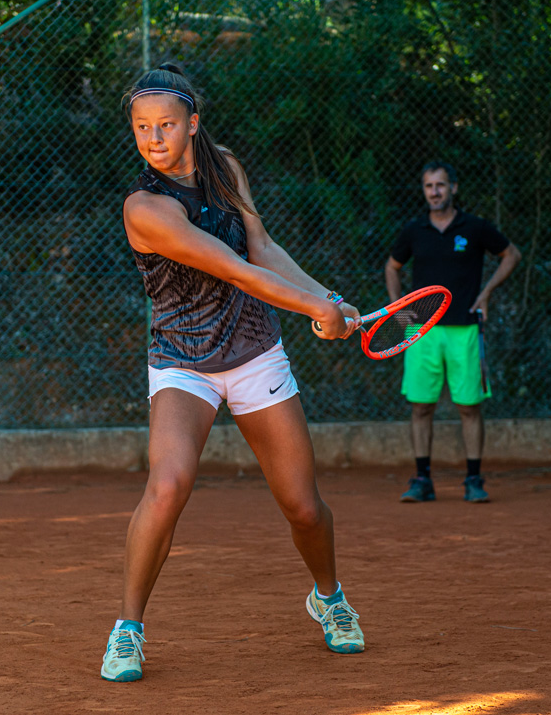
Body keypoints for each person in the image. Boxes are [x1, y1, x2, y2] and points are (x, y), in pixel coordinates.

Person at [101, 64, 365, 683]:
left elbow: (262, 249)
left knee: (304, 507)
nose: (154, 137)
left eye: (166, 124)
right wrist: (313, 309)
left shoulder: (225, 167)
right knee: (168, 486)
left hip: (254, 352)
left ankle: (329, 597)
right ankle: (128, 630)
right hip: (182, 361)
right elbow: (233, 269)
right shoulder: (144, 207)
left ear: (193, 123)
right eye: (142, 127)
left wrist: (330, 297)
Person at [384, 162, 522, 504]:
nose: (434, 192)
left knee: (469, 407)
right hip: (421, 329)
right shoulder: (414, 230)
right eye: (429, 186)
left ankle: (474, 480)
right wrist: (399, 310)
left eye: (441, 185)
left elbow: (511, 254)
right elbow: (392, 266)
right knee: (420, 407)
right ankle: (422, 481)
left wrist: (486, 293)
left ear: (454, 188)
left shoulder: (474, 227)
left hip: (465, 329)